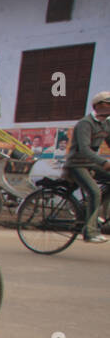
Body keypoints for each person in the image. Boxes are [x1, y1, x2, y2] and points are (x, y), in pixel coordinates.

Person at [68, 90, 110, 242]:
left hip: (91, 164)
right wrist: (103, 162)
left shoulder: (106, 124)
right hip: (77, 164)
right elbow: (84, 149)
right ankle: (90, 232)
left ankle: (96, 215)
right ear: (98, 106)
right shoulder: (85, 123)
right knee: (94, 192)